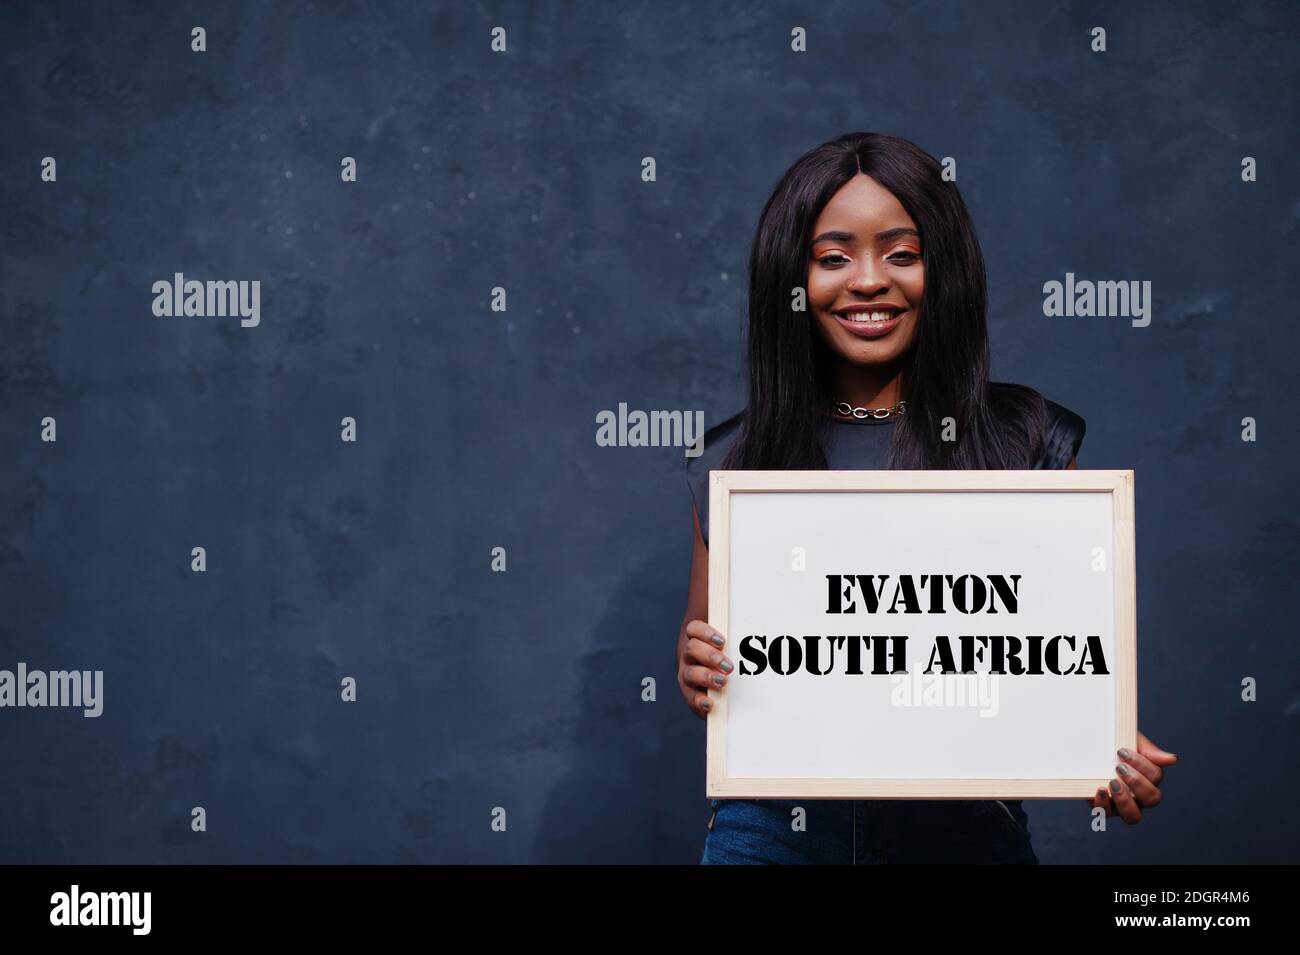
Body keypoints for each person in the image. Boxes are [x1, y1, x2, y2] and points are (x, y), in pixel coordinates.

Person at [678, 132, 1177, 864]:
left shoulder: (1026, 438)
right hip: (774, 830)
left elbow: (1064, 654)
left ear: (944, 272)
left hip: (962, 831)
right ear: (792, 277)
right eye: (834, 256)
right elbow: (706, 645)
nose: (869, 280)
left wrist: (1101, 738)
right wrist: (697, 668)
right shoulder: (734, 457)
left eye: (902, 254)